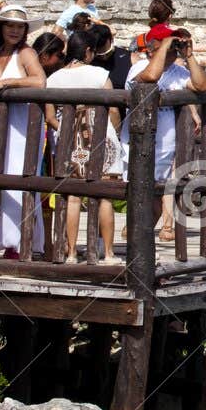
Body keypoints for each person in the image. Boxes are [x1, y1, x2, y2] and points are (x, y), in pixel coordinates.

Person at [122, 24, 206, 242]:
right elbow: (150, 76)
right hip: (136, 144)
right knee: (139, 197)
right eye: (168, 45)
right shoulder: (139, 66)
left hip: (164, 149)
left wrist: (189, 56)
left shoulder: (178, 72)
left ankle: (138, 242)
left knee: (156, 199)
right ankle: (135, 241)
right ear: (152, 48)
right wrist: (164, 47)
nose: (173, 50)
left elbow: (201, 85)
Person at [0, 4, 46, 259]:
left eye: (20, 26)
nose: (15, 30)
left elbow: (39, 80)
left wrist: (7, 82)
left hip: (22, 127)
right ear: (0, 27)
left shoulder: (25, 53)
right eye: (10, 25)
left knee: (18, 179)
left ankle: (20, 243)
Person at [46, 28, 118, 259]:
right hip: (101, 134)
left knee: (73, 196)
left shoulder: (53, 79)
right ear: (88, 51)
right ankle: (107, 253)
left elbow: (49, 116)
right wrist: (112, 132)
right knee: (104, 193)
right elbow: (114, 109)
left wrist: (68, 131)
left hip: (70, 138)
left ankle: (70, 254)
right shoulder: (99, 74)